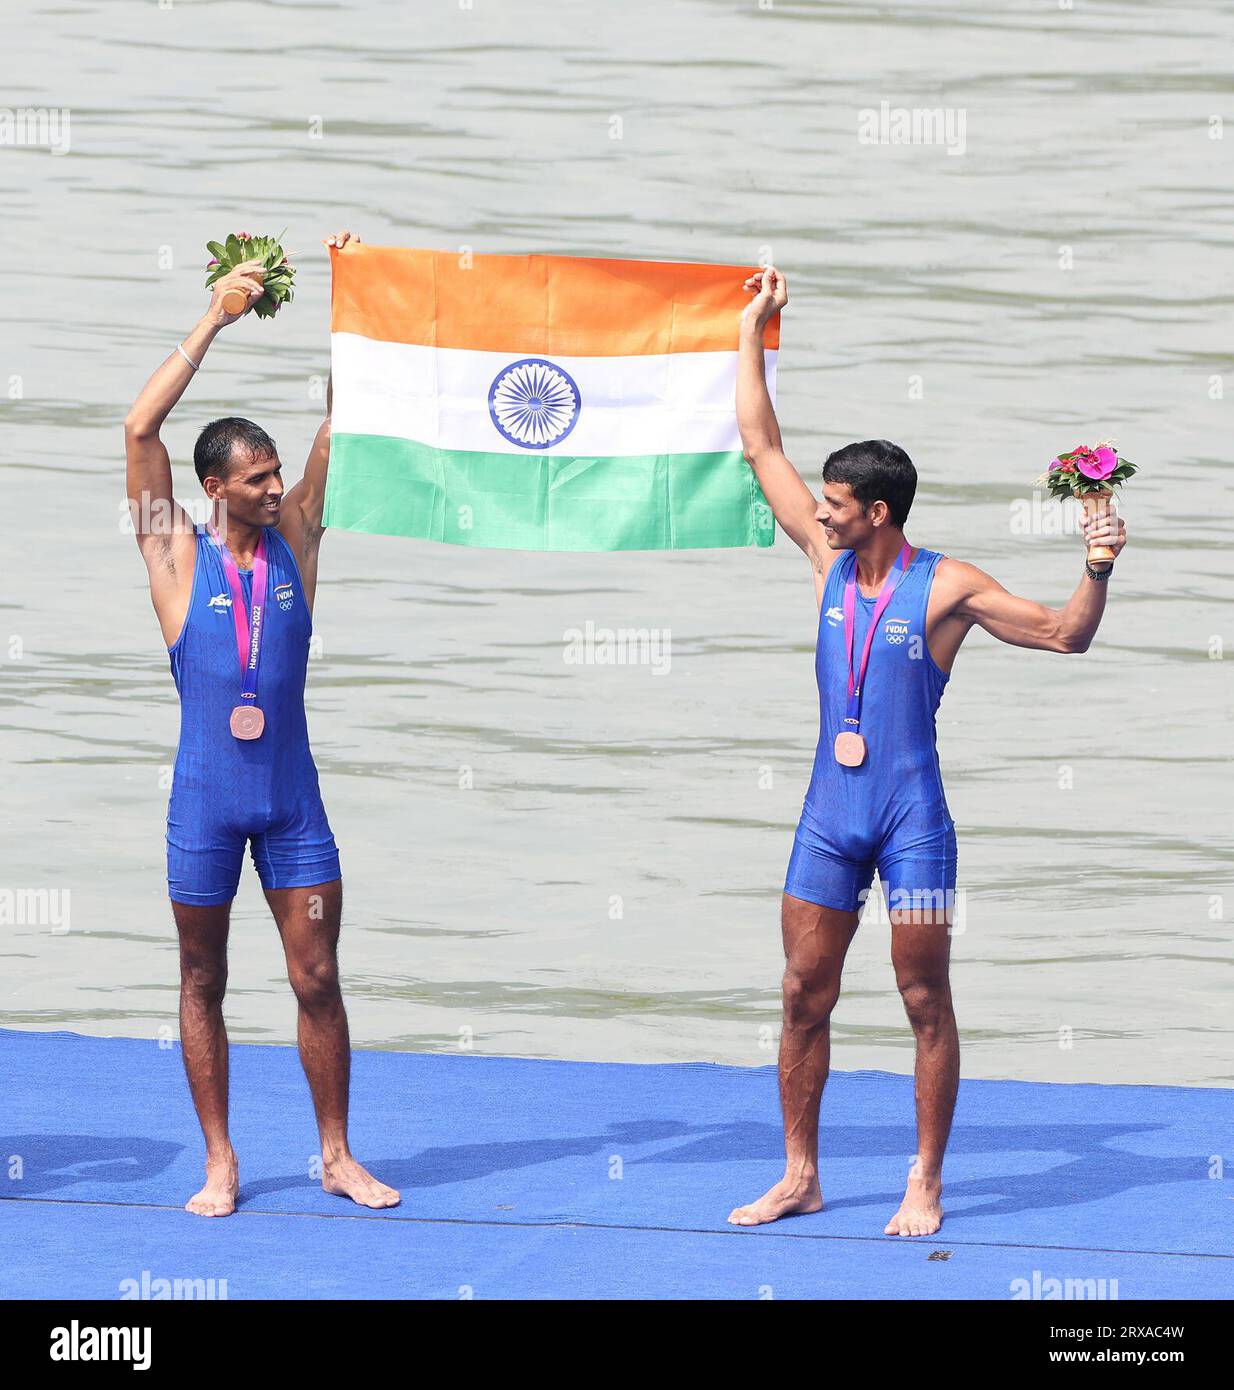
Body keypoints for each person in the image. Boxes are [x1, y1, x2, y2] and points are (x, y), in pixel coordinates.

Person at [728, 266, 1126, 1235]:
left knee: (922, 997)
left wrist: (1096, 567)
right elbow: (757, 442)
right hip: (827, 817)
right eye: (819, 501)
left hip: (913, 826)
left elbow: (1063, 636)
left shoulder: (946, 586)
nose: (817, 513)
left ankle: (926, 1180)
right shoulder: (823, 562)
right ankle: (799, 1174)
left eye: (834, 503)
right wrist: (752, 327)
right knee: (798, 994)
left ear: (877, 513)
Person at [124, 229, 398, 1216]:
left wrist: (350, 295)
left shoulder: (299, 541)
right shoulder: (173, 558)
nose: (276, 488)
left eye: (279, 472)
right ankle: (220, 1162)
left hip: (292, 805)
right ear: (215, 488)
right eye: (257, 479)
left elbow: (346, 416)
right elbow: (139, 430)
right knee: (203, 976)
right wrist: (215, 318)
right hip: (204, 800)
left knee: (317, 972)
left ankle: (335, 1153)